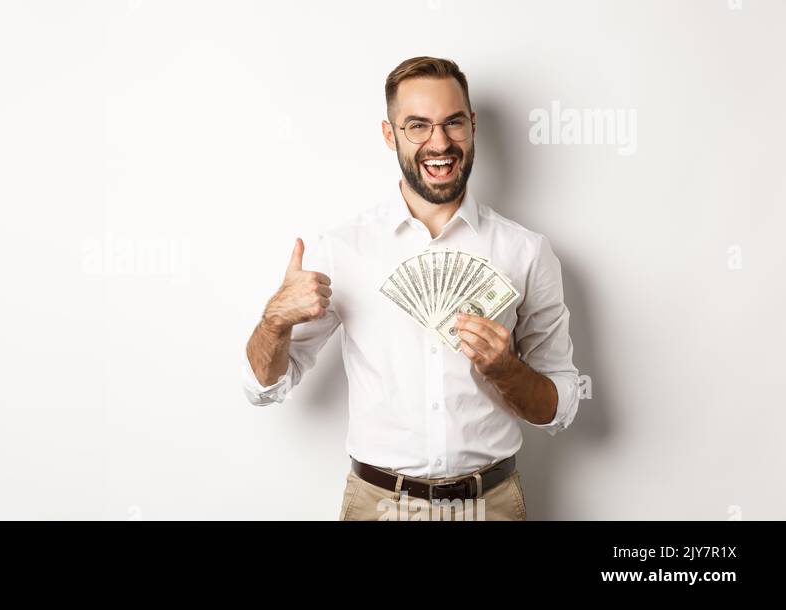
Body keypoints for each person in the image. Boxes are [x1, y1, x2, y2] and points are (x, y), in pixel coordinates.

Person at [242, 57, 579, 521]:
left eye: (453, 123)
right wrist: (274, 322)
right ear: (389, 134)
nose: (439, 143)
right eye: (417, 126)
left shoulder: (527, 252)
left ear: (473, 125)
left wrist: (506, 370)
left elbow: (558, 405)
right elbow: (263, 388)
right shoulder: (343, 249)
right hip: (377, 506)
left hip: (492, 506)